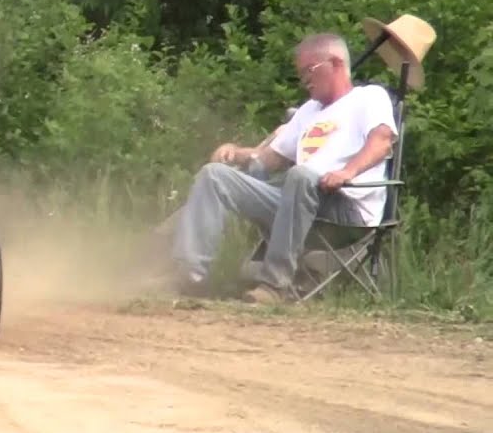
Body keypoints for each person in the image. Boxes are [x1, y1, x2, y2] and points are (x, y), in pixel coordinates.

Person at [165, 32, 398, 304]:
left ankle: (275, 286)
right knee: (214, 175)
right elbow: (269, 159)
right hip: (297, 203)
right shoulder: (308, 111)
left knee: (300, 176)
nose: (304, 80)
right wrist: (236, 152)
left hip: (346, 209)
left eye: (309, 70)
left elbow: (381, 142)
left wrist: (347, 172)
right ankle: (188, 276)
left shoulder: (369, 97)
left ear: (335, 63)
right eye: (301, 74)